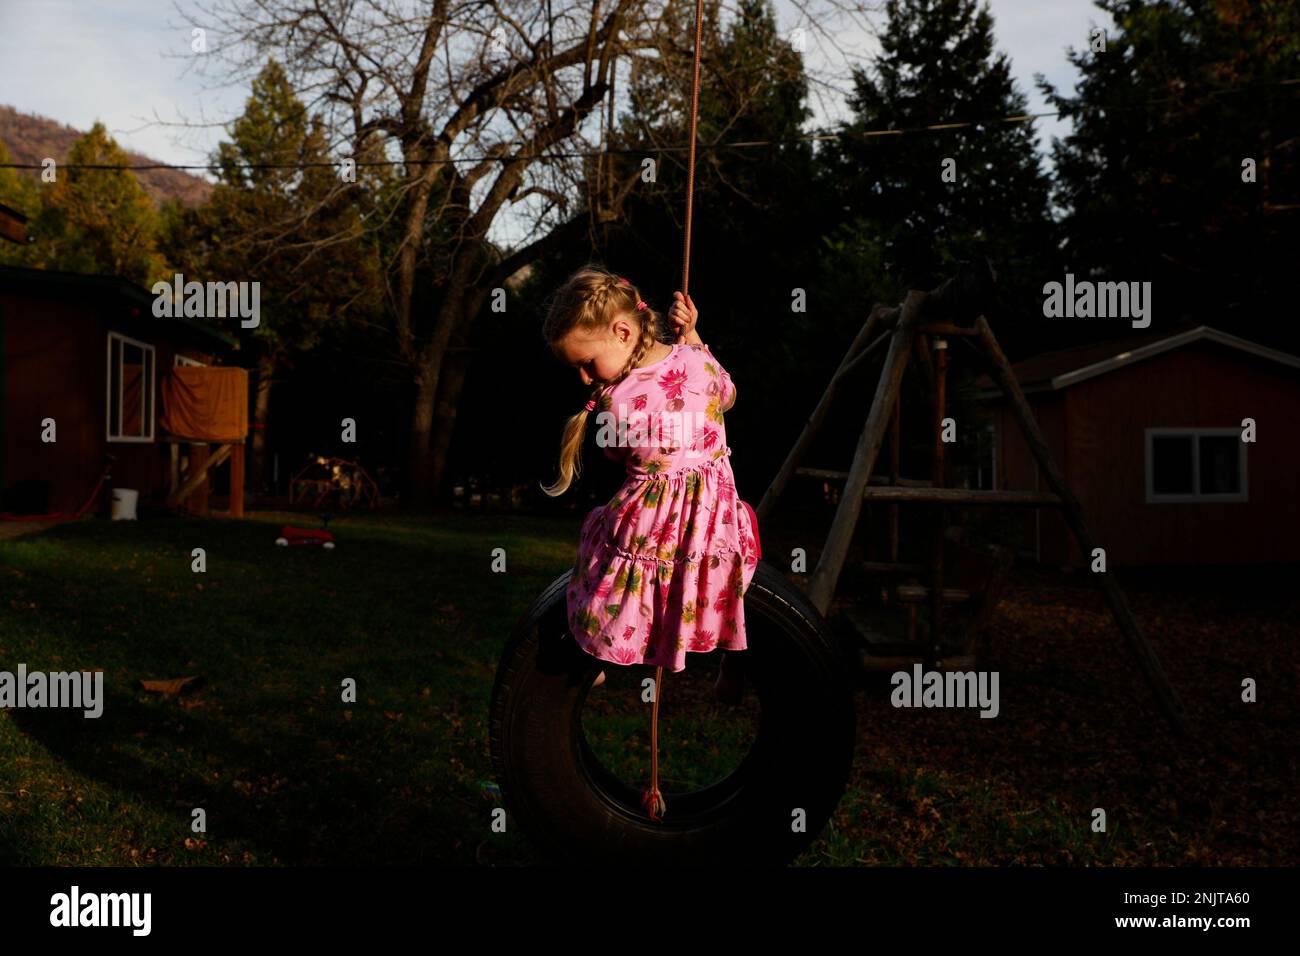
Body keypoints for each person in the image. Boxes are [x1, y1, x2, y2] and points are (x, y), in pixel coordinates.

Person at [541, 266, 760, 704]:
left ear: (623, 332)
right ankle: (734, 663)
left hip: (650, 528)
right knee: (746, 537)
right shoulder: (697, 364)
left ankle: (595, 658)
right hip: (710, 528)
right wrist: (693, 338)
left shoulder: (615, 401)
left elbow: (616, 455)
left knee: (601, 547)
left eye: (586, 364)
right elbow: (728, 393)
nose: (585, 378)